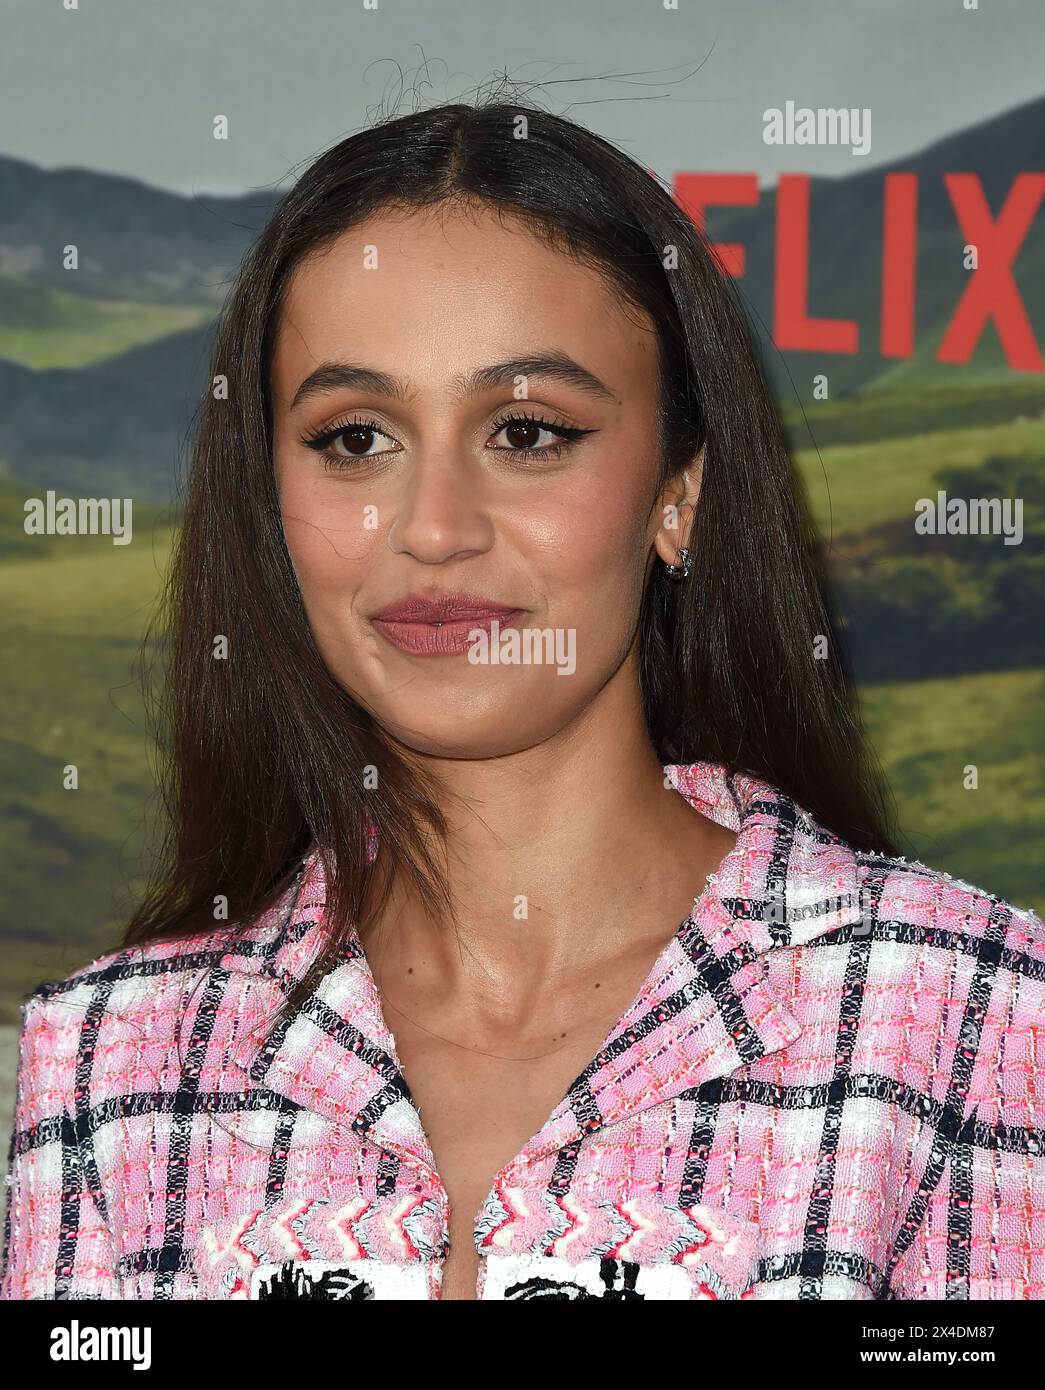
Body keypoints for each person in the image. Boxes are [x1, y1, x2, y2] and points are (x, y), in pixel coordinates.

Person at [2, 97, 1043, 1303]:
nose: (433, 528)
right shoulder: (109, 1061)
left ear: (677, 495)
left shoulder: (966, 1016)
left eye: (528, 430)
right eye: (353, 440)